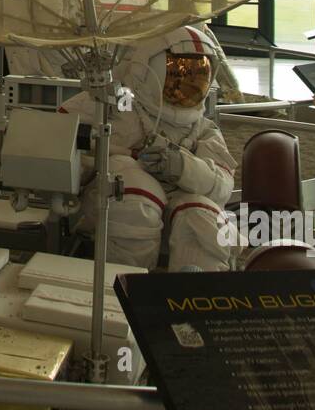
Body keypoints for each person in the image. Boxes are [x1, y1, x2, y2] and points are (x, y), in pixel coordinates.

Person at [63, 25, 240, 272]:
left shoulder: (202, 128)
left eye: (196, 77)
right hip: (107, 208)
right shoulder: (114, 103)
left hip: (174, 215)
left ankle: (192, 296)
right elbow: (57, 143)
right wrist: (117, 157)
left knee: (203, 214)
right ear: (148, 72)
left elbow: (222, 188)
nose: (186, 86)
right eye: (177, 75)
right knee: (132, 189)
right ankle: (121, 288)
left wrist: (182, 167)